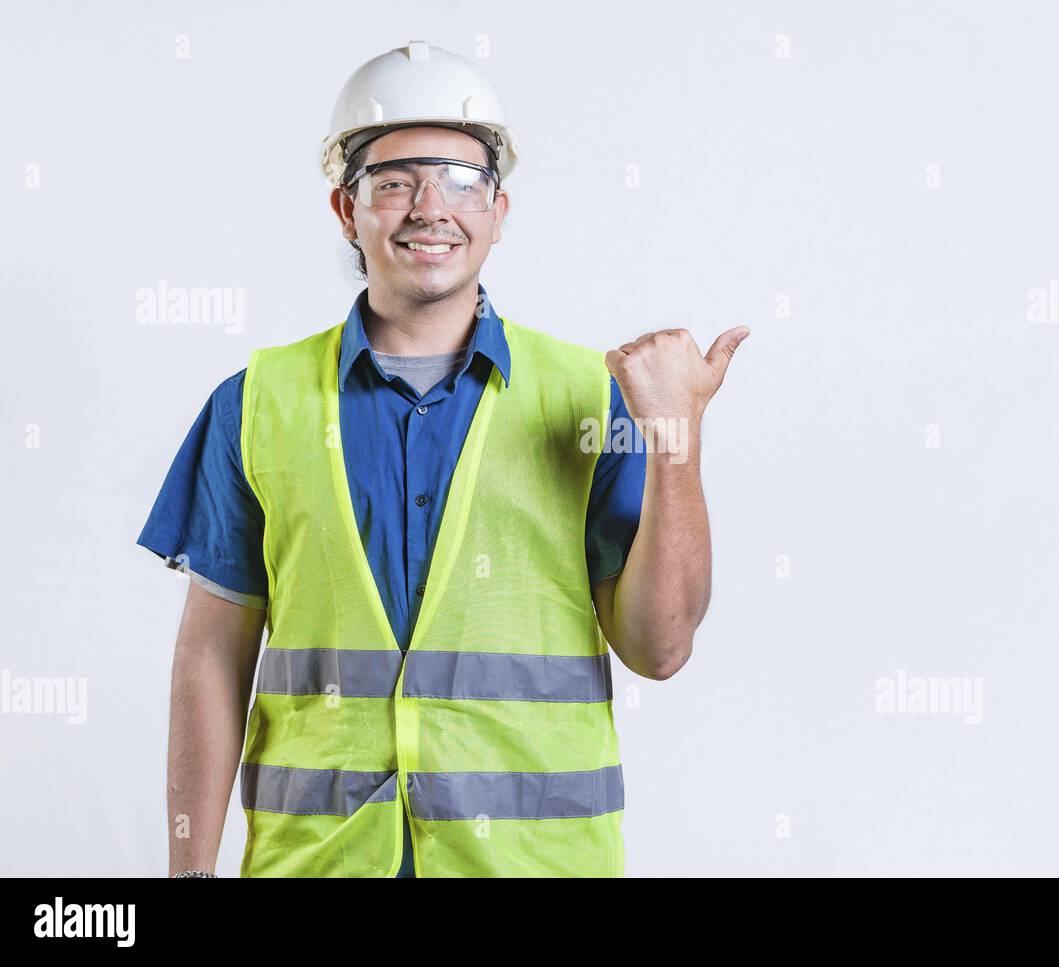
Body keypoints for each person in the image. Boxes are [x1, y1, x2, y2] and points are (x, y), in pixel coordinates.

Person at [137, 40, 747, 878]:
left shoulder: (588, 397)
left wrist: (674, 437)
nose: (431, 207)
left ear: (499, 210)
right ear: (345, 211)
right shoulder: (255, 404)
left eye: (461, 181)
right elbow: (210, 655)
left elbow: (661, 647)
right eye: (394, 181)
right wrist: (188, 872)